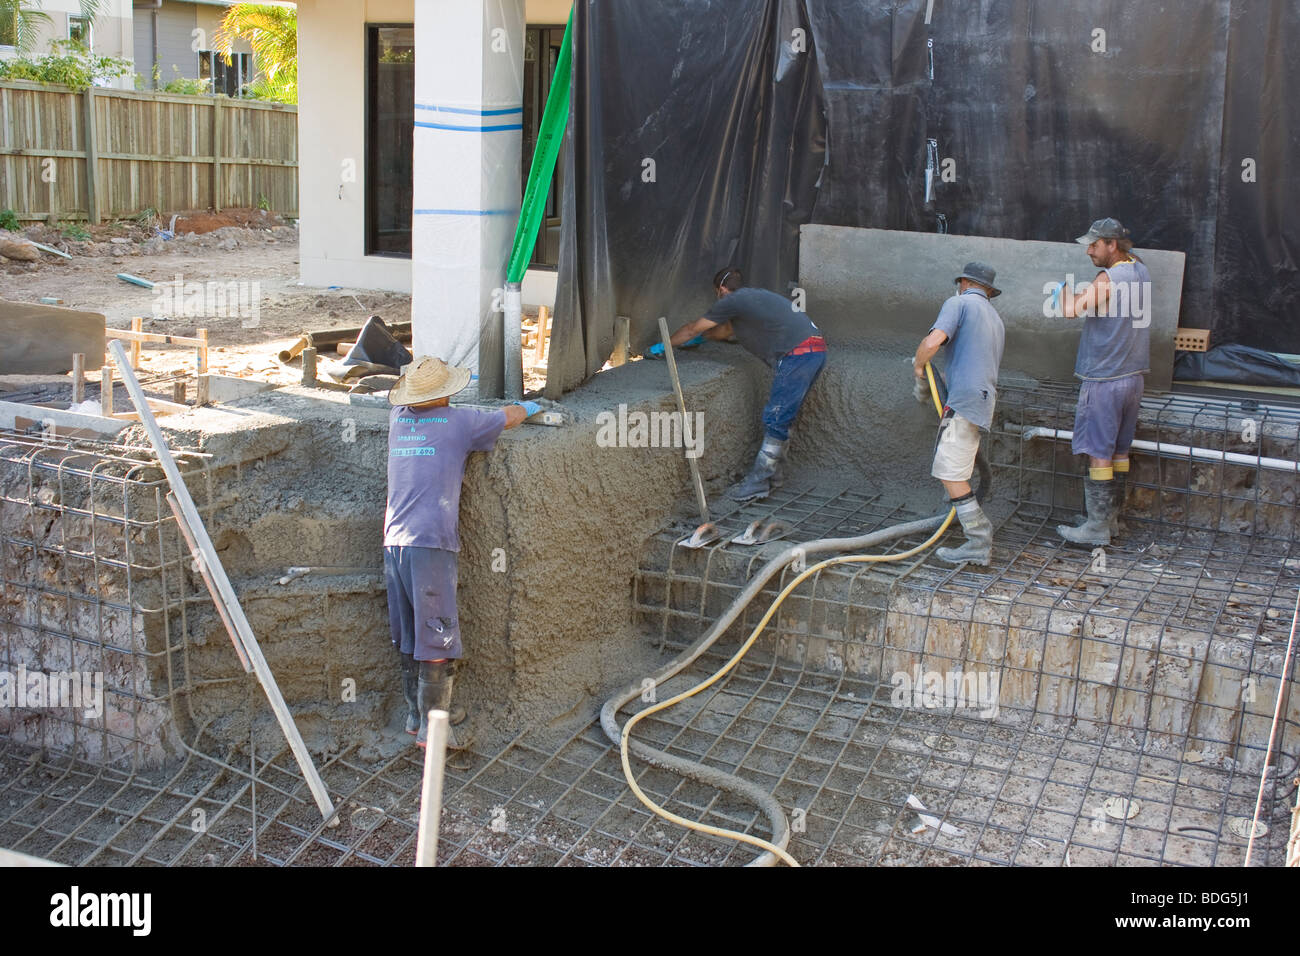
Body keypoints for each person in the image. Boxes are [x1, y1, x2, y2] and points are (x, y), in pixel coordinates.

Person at [383, 356, 531, 752]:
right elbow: (511, 415)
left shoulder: (398, 419)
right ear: (447, 394)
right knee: (437, 636)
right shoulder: (459, 423)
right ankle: (435, 731)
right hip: (430, 542)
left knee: (410, 634)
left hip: (393, 542)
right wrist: (532, 407)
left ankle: (416, 718)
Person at [651, 268, 828, 501]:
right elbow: (722, 332)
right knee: (783, 418)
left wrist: (662, 346)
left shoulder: (732, 301)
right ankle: (774, 478)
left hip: (797, 355)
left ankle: (757, 483)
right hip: (815, 351)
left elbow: (693, 328)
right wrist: (701, 339)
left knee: (775, 419)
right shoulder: (753, 300)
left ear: (721, 290)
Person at [1050, 217, 1151, 546]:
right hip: (1133, 379)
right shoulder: (1139, 270)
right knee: (1119, 451)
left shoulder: (1109, 278)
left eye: (1095, 244)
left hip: (1104, 380)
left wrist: (1061, 290)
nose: (1089, 250)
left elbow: (1069, 311)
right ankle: (1110, 520)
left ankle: (1095, 529)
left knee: (1099, 453)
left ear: (1113, 244)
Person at [912, 261, 1006, 565]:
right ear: (989, 290)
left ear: (964, 282)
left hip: (965, 397)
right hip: (981, 397)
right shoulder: (994, 317)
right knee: (956, 466)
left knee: (950, 470)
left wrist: (918, 366)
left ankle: (978, 540)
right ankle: (969, 529)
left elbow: (933, 342)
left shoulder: (958, 303)